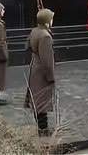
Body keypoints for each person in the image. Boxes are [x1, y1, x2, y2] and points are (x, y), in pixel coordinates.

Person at [24, 8, 56, 137]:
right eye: (51, 18)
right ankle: (43, 130)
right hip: (42, 72)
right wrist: (51, 77)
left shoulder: (35, 31)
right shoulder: (45, 36)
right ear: (47, 21)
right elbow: (47, 60)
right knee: (42, 100)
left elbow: (27, 47)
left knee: (37, 99)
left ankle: (41, 128)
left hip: (35, 67)